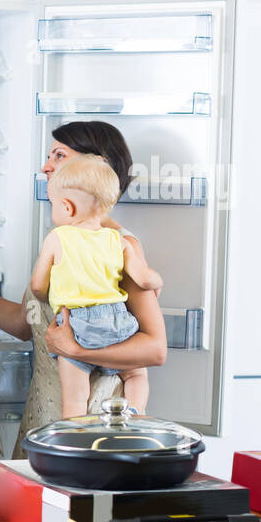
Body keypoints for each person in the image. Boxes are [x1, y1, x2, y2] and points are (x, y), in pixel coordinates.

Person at [0, 121, 167, 457]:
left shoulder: (118, 246)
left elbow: (155, 350)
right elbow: (30, 325)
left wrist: (78, 352)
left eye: (58, 154)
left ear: (95, 167)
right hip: (42, 422)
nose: (45, 165)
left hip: (93, 434)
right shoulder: (64, 239)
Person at [31, 154, 162, 418]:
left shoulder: (57, 238)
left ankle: (74, 427)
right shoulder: (119, 241)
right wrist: (157, 285)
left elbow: (37, 286)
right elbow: (147, 279)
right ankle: (135, 410)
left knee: (75, 398)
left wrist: (50, 295)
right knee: (136, 374)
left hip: (77, 324)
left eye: (53, 204)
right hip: (117, 320)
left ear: (67, 207)